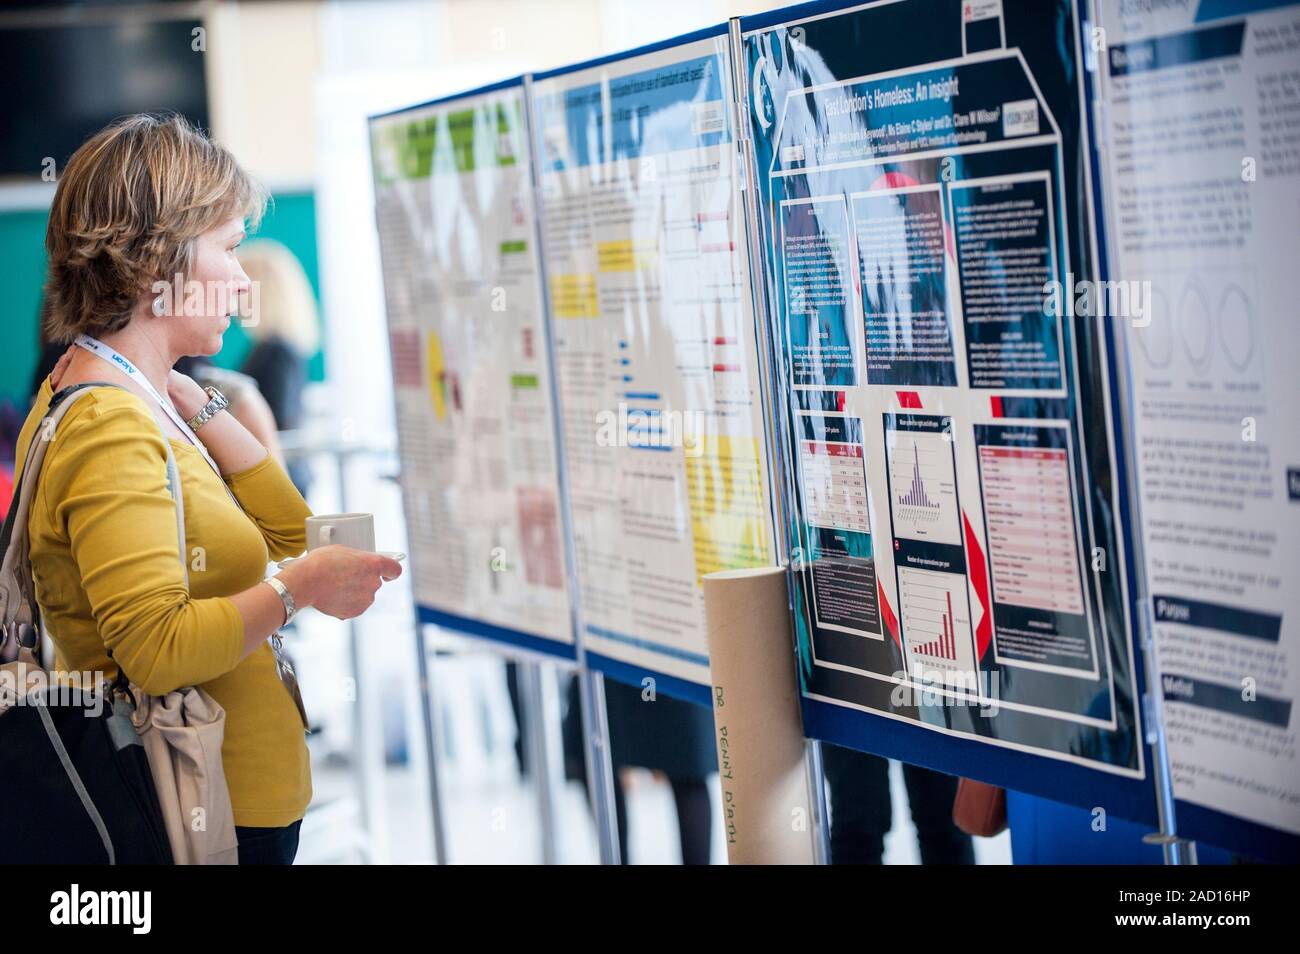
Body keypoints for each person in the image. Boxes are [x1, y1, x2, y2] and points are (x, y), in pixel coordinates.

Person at [15, 113, 402, 864]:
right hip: (196, 814)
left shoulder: (143, 400)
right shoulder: (110, 425)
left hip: (223, 805)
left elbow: (298, 532)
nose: (243, 278)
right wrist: (299, 588)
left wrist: (206, 408)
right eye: (228, 248)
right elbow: (158, 650)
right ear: (160, 260)